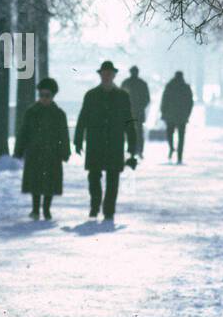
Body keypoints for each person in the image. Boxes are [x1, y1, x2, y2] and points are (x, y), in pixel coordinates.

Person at [72, 61, 138, 221]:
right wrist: (78, 140)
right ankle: (94, 207)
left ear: (114, 75)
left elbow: (129, 120)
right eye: (104, 73)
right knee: (93, 177)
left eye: (109, 73)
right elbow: (82, 118)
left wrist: (132, 143)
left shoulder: (123, 96)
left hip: (115, 142)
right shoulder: (91, 95)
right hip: (95, 142)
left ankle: (109, 210)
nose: (107, 76)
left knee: (113, 178)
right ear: (100, 75)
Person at [13, 77, 71, 220]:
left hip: (53, 153)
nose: (44, 98)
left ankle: (46, 209)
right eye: (41, 95)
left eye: (47, 95)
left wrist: (65, 151)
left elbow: (64, 135)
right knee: (35, 182)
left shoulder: (59, 114)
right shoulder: (31, 112)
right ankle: (35, 209)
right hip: (35, 152)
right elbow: (23, 132)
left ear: (53, 96)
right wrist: (18, 150)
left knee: (50, 183)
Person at [160, 71, 195, 164]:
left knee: (169, 134)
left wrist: (163, 112)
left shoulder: (169, 86)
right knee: (181, 138)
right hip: (181, 116)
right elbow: (190, 102)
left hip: (170, 115)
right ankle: (179, 156)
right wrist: (187, 114)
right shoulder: (186, 87)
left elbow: (164, 100)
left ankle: (171, 148)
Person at [120, 65, 152, 158]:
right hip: (138, 112)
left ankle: (132, 150)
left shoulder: (126, 83)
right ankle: (139, 150)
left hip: (128, 112)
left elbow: (120, 97)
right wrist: (141, 107)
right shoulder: (142, 83)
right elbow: (147, 99)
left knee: (129, 132)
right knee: (138, 132)